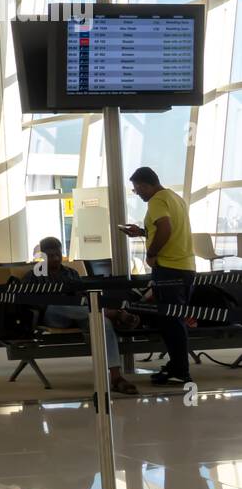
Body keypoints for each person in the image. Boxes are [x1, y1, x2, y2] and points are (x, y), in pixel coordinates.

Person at [27, 237, 136, 394]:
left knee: (103, 322)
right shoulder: (34, 276)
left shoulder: (71, 273)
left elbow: (84, 297)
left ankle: (116, 377)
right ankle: (112, 312)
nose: (56, 259)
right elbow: (31, 302)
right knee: (58, 305)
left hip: (80, 314)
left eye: (58, 254)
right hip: (52, 317)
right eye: (51, 256)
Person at [120, 166, 196, 386]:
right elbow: (168, 229)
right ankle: (176, 366)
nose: (138, 194)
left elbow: (165, 227)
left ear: (146, 184)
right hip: (186, 267)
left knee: (171, 321)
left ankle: (181, 371)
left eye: (137, 189)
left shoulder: (156, 201)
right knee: (173, 319)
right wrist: (142, 232)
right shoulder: (174, 198)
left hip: (170, 268)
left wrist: (151, 253)